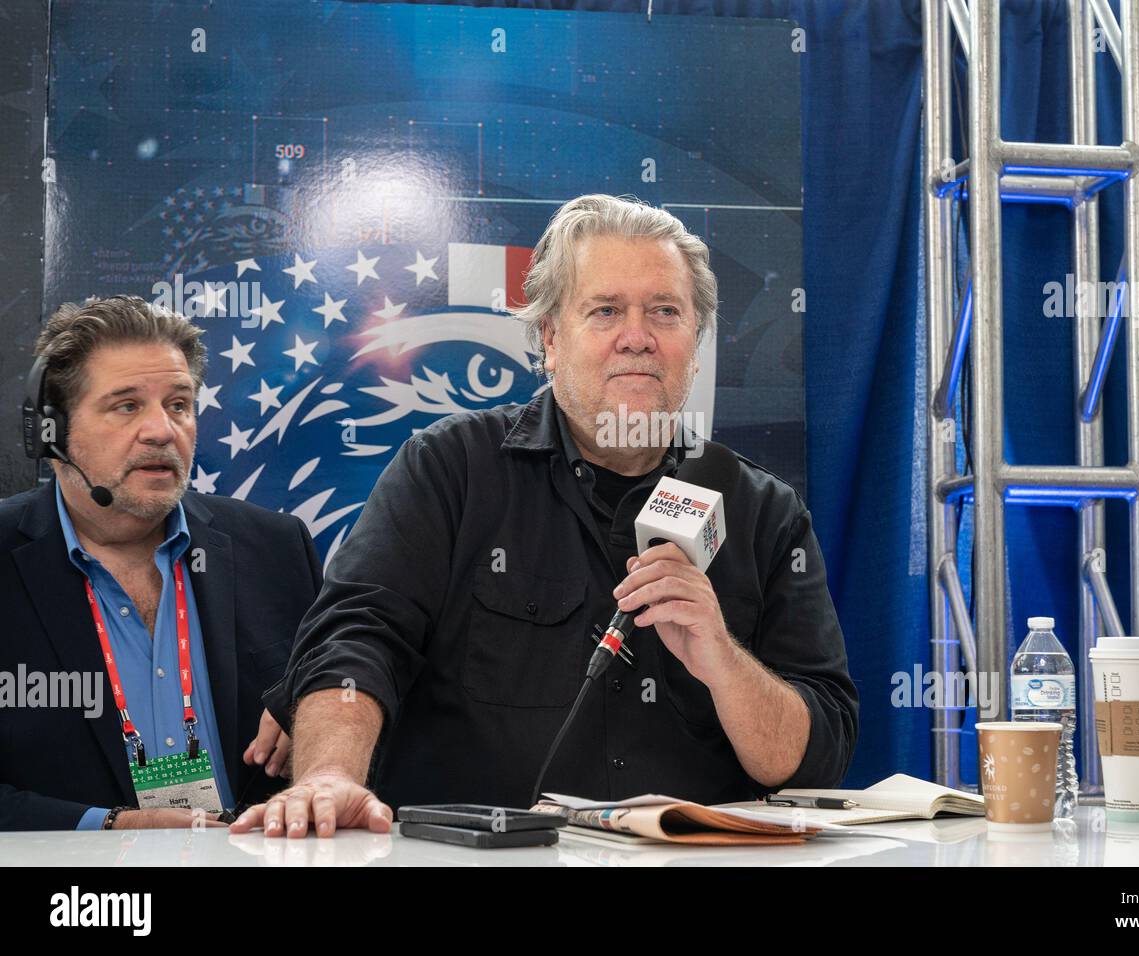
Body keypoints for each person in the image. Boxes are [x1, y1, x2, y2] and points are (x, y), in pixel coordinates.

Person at [235, 194, 858, 838]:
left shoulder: (764, 511)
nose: (637, 337)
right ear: (551, 340)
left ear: (693, 347)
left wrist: (722, 662)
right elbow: (358, 638)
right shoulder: (451, 468)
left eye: (665, 312)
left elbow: (815, 757)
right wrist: (331, 775)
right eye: (606, 310)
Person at [0, 295, 322, 831]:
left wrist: (319, 725)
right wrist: (108, 827)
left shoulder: (275, 547)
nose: (161, 430)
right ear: (51, 432)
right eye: (127, 406)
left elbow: (351, 713)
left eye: (178, 404)